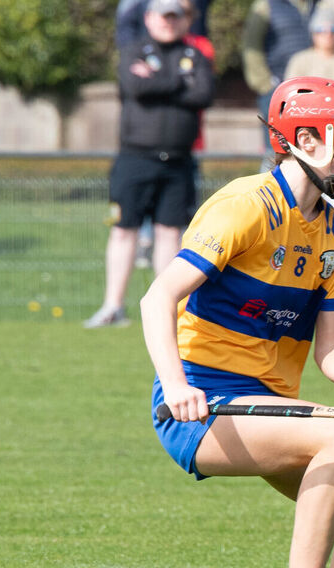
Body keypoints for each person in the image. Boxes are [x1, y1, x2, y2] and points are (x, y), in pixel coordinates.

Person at [139, 76, 334, 568]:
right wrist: (178, 384)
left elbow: (329, 348)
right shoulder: (244, 207)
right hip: (201, 407)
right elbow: (157, 299)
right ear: (305, 139)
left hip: (270, 405)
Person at [85, 0, 216, 328]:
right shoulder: (133, 51)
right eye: (163, 16)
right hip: (135, 159)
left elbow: (203, 94)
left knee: (170, 233)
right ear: (149, 18)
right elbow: (136, 88)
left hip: (178, 162)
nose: (169, 23)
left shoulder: (196, 55)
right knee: (124, 230)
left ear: (184, 21)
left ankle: (167, 307)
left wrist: (160, 79)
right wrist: (179, 81)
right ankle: (113, 306)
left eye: (176, 16)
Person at [285, 5, 334, 251]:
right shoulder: (301, 59)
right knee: (293, 193)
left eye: (332, 29)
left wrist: (314, 102)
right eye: (321, 29)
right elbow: (291, 94)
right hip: (303, 137)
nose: (327, 34)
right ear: (312, 33)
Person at [242, 0, 317, 156]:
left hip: (314, 93)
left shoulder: (319, 4)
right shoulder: (267, 5)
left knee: (313, 150)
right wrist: (264, 84)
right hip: (277, 88)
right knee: (276, 153)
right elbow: (251, 44)